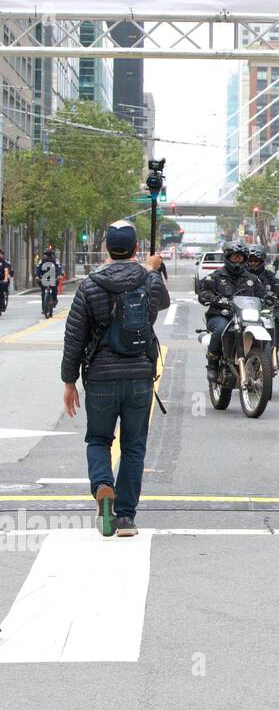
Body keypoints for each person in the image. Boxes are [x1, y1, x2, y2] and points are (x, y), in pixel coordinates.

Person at [60, 220, 169, 537]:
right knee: (134, 447)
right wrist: (152, 269)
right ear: (135, 248)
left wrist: (69, 382)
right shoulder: (148, 280)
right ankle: (125, 518)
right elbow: (163, 303)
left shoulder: (91, 285)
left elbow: (74, 338)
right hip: (139, 376)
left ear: (106, 247)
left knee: (98, 439)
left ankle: (103, 485)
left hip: (101, 377)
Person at [196, 240, 265, 384]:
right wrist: (214, 299)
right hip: (221, 315)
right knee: (221, 329)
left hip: (244, 316)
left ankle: (260, 361)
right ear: (228, 257)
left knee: (265, 326)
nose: (238, 260)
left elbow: (263, 293)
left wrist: (270, 299)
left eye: (241, 257)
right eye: (235, 257)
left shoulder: (252, 279)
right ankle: (213, 363)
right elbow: (204, 292)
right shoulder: (215, 276)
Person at [247, 243, 279, 362]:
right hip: (243, 311)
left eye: (256, 261)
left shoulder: (269, 277)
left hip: (267, 310)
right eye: (251, 261)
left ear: (262, 261)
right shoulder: (241, 276)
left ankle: (272, 351)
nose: (253, 264)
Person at [35, 244, 63, 318]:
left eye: (46, 254)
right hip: (44, 278)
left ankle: (54, 300)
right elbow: (38, 268)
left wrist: (60, 275)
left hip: (53, 278)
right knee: (43, 292)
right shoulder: (42, 261)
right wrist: (37, 276)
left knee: (54, 289)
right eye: (44, 254)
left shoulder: (55, 261)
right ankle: (44, 308)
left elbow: (59, 268)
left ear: (50, 255)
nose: (45, 256)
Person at [0, 248, 11, 316]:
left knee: (1, 293)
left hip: (1, 280)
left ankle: (2, 306)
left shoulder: (3, 262)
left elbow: (6, 270)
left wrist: (6, 278)